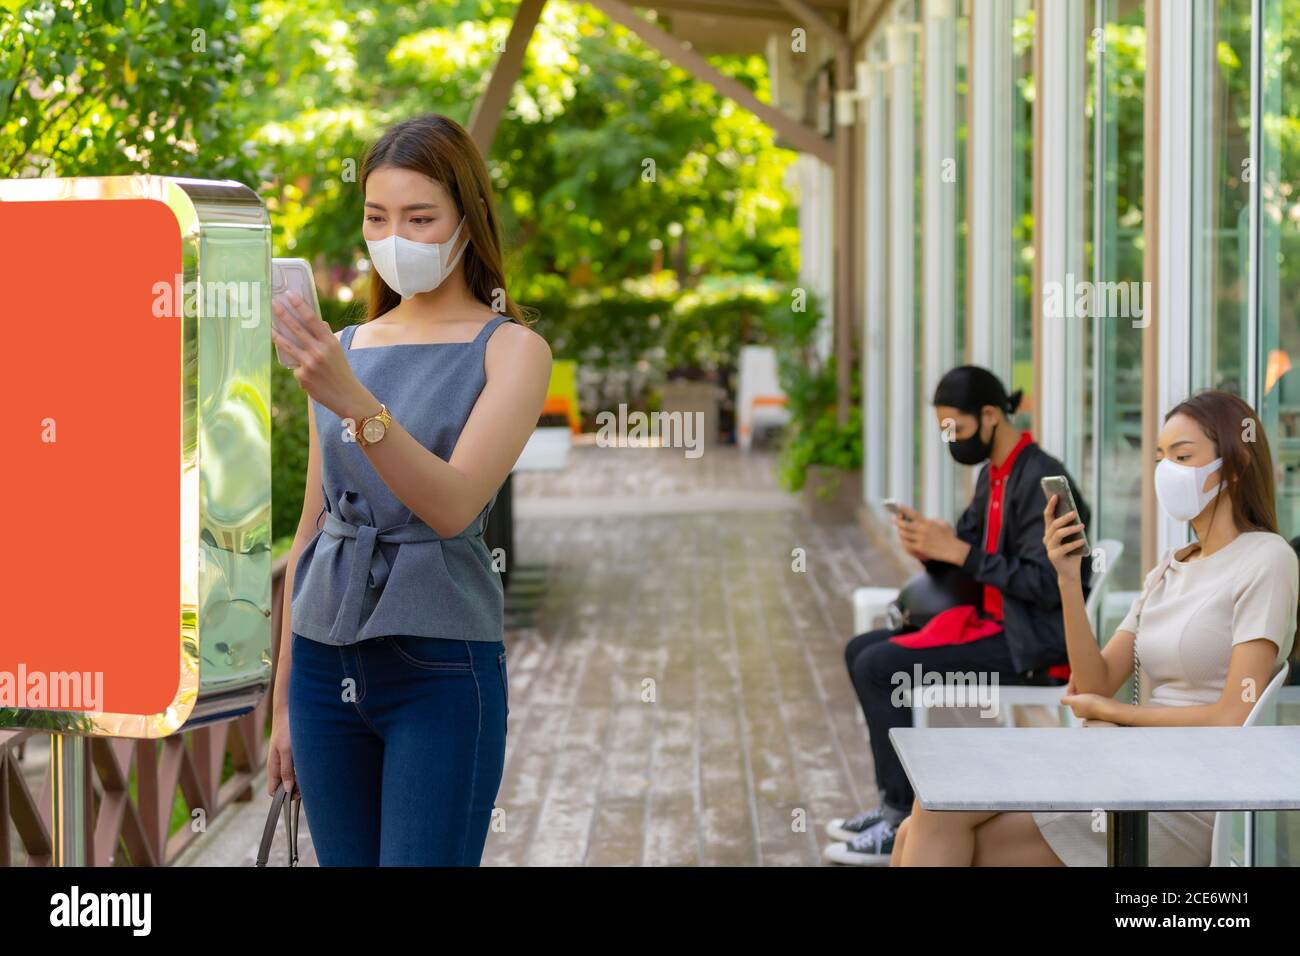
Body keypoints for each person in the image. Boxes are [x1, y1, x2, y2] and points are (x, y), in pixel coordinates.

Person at [266, 114, 553, 865]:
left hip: (440, 666)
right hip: (325, 665)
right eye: (377, 217)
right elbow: (311, 530)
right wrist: (282, 705)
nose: (395, 237)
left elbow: (455, 505)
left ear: (469, 219)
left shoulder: (513, 350)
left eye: (421, 217)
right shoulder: (347, 347)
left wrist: (354, 402)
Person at [892, 389, 1299, 866]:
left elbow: (1234, 714)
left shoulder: (1266, 559)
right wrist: (1066, 578)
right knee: (922, 816)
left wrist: (1121, 717)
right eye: (1161, 457)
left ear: (1233, 465)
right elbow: (1094, 680)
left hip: (1181, 798)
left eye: (1183, 456)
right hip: (1121, 768)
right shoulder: (1170, 567)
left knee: (936, 826)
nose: (1166, 470)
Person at [826, 366, 1091, 865]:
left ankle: (900, 815)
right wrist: (931, 545)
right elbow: (966, 552)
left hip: (1032, 646)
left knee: (878, 666)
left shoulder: (1039, 478)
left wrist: (958, 552)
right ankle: (892, 807)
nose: (952, 440)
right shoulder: (993, 474)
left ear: (989, 415)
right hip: (992, 626)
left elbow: (1048, 583)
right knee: (861, 649)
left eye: (957, 429)